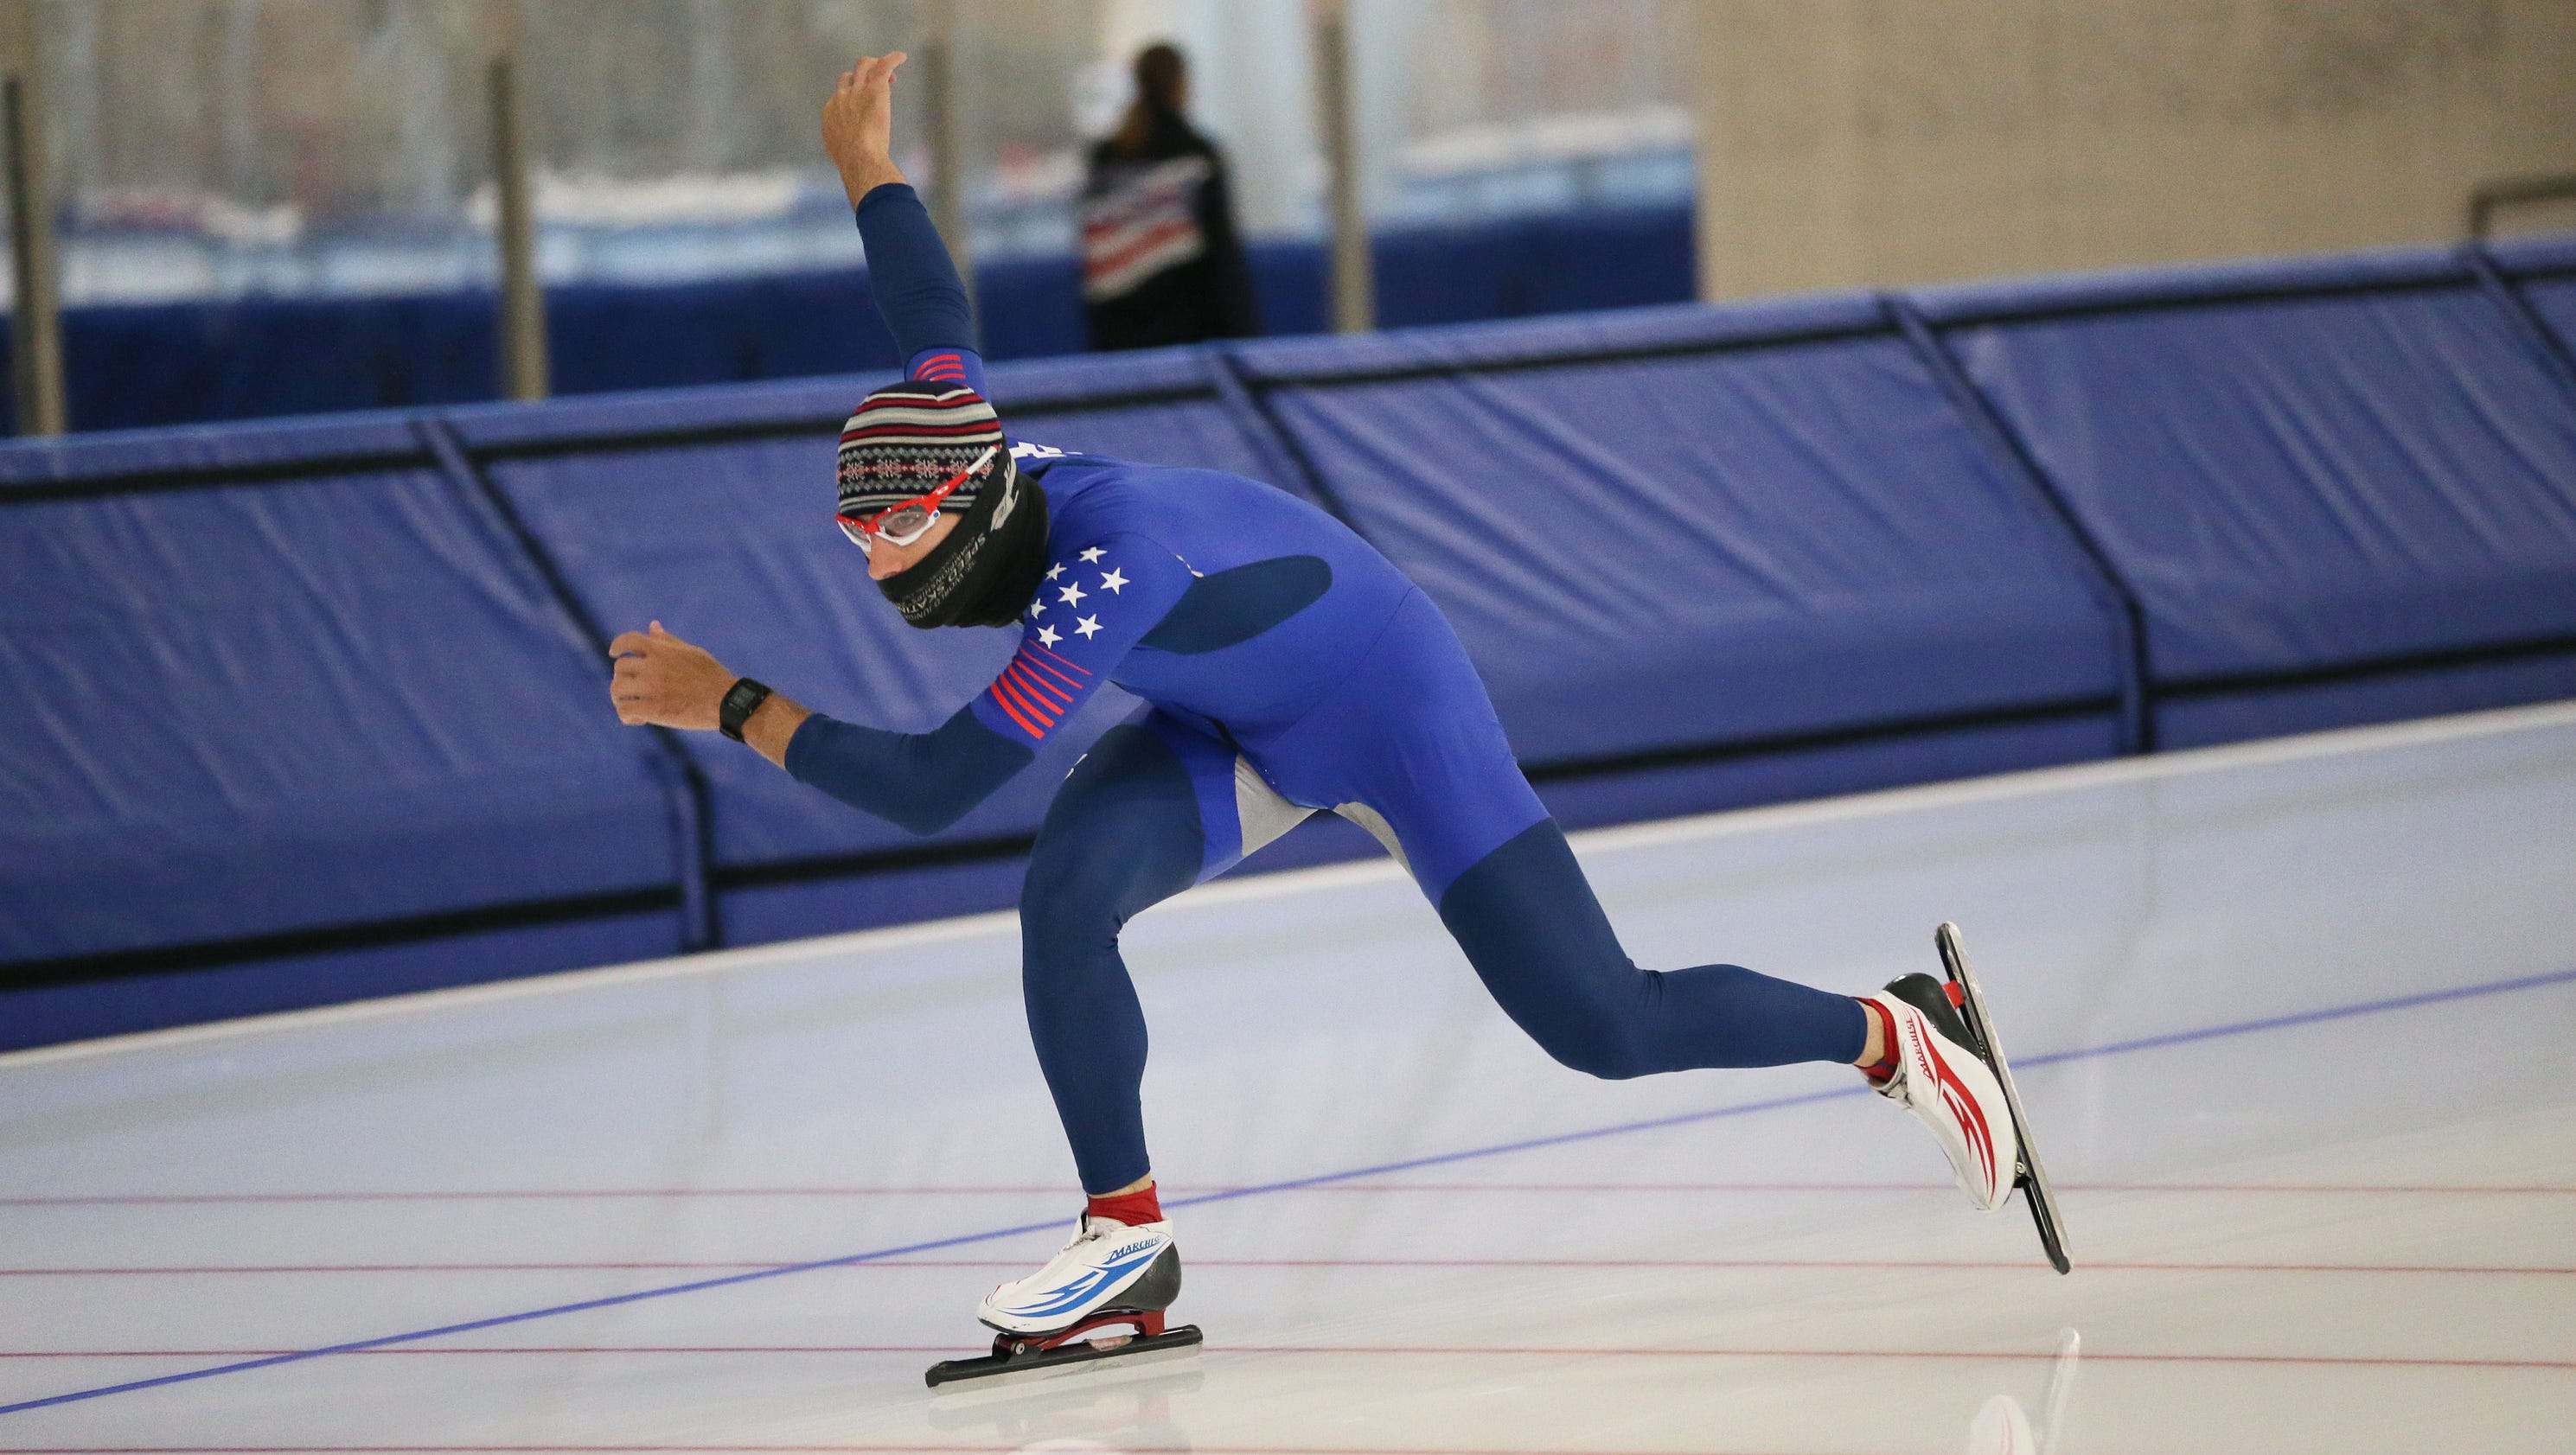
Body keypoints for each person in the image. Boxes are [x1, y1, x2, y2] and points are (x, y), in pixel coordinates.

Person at [609, 53, 2031, 1376]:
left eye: (890, 532)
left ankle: (1898, 1032)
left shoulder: (1109, 570)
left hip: (1383, 708)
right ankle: (1125, 1241)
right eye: (852, 533)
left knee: (1604, 1021)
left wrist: (731, 701)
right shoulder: (952, 427)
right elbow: (931, 314)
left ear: (966, 504)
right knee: (1066, 896)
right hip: (1228, 709)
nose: (870, 562)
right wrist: (869, 167)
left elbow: (933, 786)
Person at [1077, 42, 1259, 351]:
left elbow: (1094, 256)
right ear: (1181, 84)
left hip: (1121, 339)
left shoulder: (1106, 158)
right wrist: (1245, 338)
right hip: (1193, 341)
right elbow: (1222, 257)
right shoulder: (1196, 155)